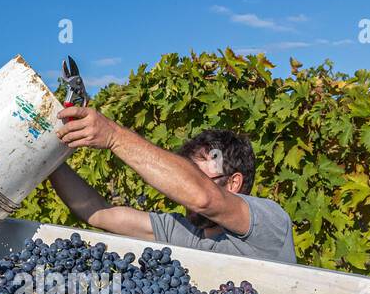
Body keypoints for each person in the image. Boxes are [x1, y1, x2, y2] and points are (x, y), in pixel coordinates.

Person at [47, 106, 296, 264]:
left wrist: (112, 135)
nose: (183, 194)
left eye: (198, 178)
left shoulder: (269, 222)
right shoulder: (185, 231)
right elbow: (100, 213)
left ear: (233, 183)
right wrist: (46, 158)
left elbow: (203, 198)